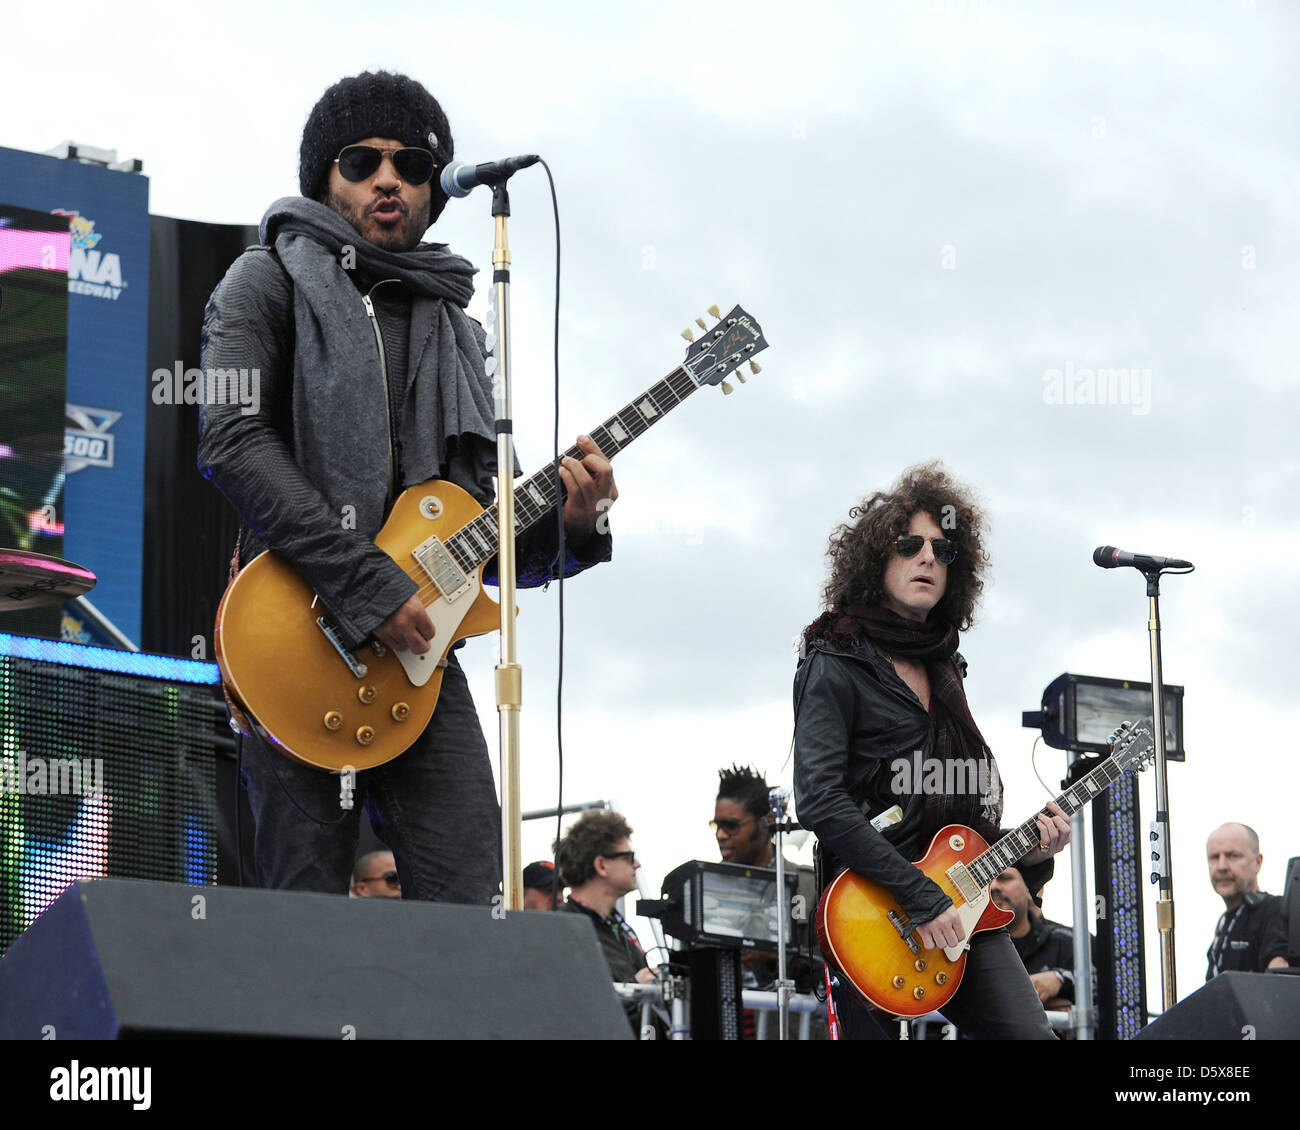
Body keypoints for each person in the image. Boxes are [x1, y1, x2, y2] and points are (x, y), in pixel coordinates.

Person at [198, 71, 616, 904]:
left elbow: (478, 540)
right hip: (297, 639)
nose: (389, 179)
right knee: (303, 921)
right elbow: (232, 440)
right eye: (362, 160)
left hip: (422, 658)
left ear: (434, 187)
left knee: (472, 912)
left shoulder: (456, 321)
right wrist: (365, 586)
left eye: (413, 164)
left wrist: (571, 521)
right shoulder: (263, 282)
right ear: (325, 175)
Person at [792, 462, 1071, 1040]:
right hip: (873, 909)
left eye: (942, 551)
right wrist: (918, 894)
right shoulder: (835, 657)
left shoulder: (946, 665)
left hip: (961, 905)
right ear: (876, 559)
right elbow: (820, 800)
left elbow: (961, 819)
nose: (927, 558)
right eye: (909, 544)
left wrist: (1038, 853)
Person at [556, 810, 655, 1033]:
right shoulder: (561, 932)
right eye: (628, 857)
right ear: (601, 865)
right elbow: (569, 1011)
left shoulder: (619, 929)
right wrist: (635, 988)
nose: (637, 864)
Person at [988, 864, 1091, 1009]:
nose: (993, 887)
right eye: (985, 881)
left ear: (1033, 890)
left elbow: (1109, 992)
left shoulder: (1071, 943)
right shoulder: (966, 948)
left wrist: (1062, 979)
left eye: (1004, 878)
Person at [1205, 822, 1290, 979]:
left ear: (1257, 862)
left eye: (1233, 856)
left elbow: (1280, 979)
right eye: (1214, 857)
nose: (1222, 866)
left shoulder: (1275, 910)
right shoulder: (1224, 922)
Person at [713, 764, 776, 867]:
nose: (720, 835)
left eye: (731, 826)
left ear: (768, 821)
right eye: (716, 825)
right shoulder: (702, 881)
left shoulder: (806, 881)